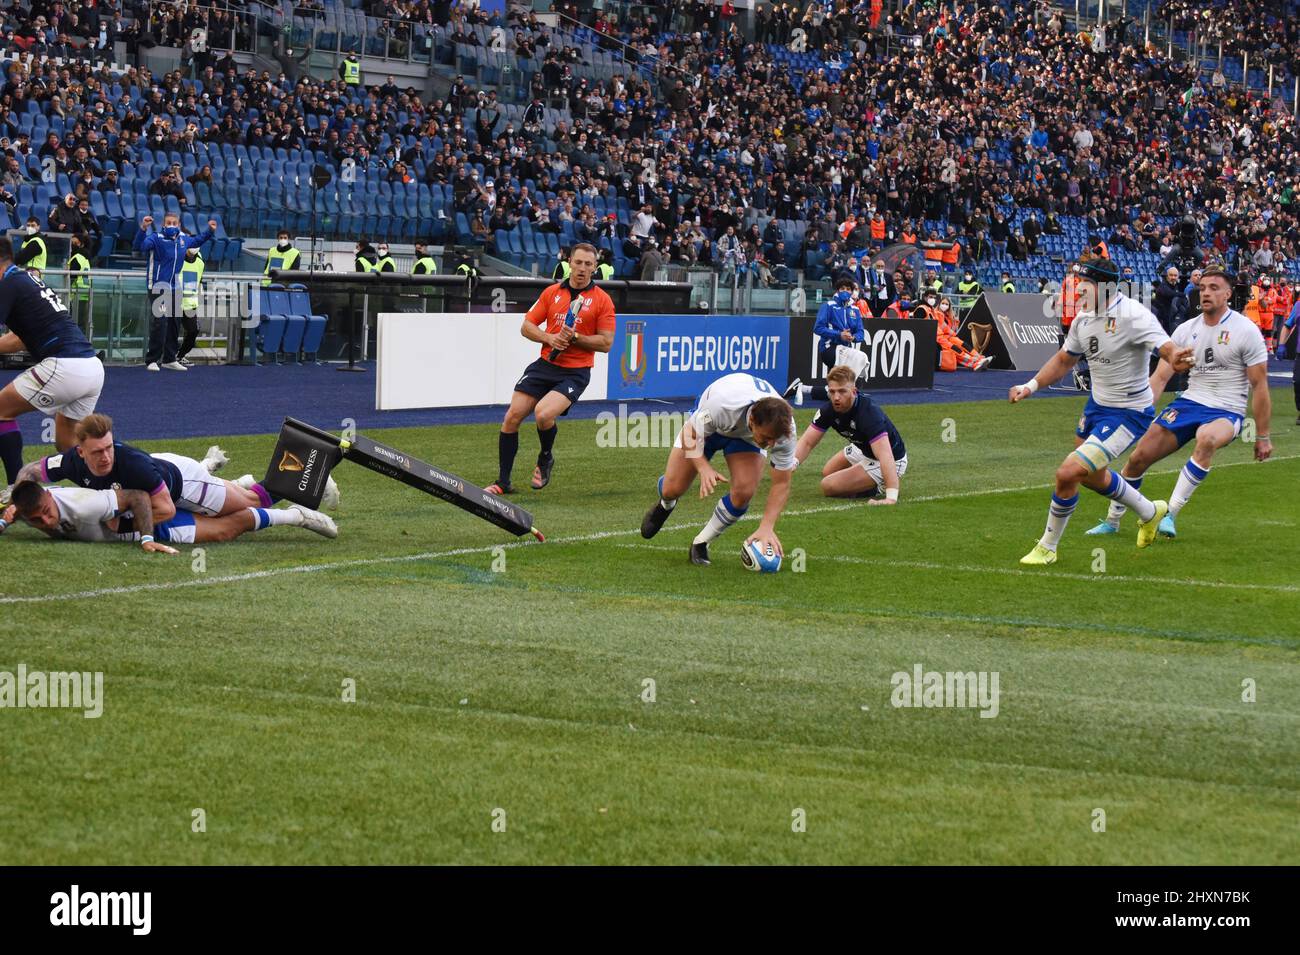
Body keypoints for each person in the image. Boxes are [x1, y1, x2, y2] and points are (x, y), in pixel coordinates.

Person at [1009, 255, 1192, 565]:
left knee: (1068, 473)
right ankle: (1150, 511)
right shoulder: (1083, 318)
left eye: (1085, 284)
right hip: (1096, 407)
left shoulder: (1134, 315)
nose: (1078, 290)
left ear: (1106, 287)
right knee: (1092, 477)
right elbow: (1065, 360)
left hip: (1128, 413)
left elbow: (1166, 347)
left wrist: (1176, 358)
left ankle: (1048, 547)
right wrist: (1030, 386)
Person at [1085, 265, 1271, 541]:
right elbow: (1160, 378)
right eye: (1203, 288)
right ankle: (1112, 521)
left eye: (1214, 288)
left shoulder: (1246, 331)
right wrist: (1137, 413)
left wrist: (1263, 436)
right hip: (1188, 404)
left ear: (1228, 294)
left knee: (1206, 438)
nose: (1206, 293)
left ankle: (1169, 513)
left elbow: (1259, 385)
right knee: (1138, 458)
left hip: (1226, 409)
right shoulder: (1185, 331)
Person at [7, 412, 340, 525]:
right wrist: (16, 494)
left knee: (255, 503)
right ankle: (229, 476)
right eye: (97, 452)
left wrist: (122, 522)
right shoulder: (69, 461)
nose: (105, 456)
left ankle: (311, 474)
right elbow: (33, 472)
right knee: (237, 497)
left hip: (185, 483)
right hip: (164, 467)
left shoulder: (130, 466)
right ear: (81, 452)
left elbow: (164, 510)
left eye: (109, 447)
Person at [486, 243, 615, 495]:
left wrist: (575, 337)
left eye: (588, 264)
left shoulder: (602, 300)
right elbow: (527, 326)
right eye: (578, 262)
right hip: (545, 365)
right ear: (569, 262)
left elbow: (606, 343)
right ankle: (503, 482)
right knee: (512, 416)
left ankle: (545, 458)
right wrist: (549, 338)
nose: (582, 268)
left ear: (595, 268)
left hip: (575, 371)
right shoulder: (551, 292)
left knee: (544, 414)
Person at [639, 372, 798, 566]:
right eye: (766, 438)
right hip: (705, 430)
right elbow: (690, 434)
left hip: (743, 439)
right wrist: (704, 468)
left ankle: (701, 543)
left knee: (744, 492)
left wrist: (767, 527)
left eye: (774, 439)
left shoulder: (784, 432)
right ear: (752, 420)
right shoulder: (723, 405)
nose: (772, 444)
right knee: (673, 488)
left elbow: (782, 483)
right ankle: (666, 504)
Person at [0, 236, 104, 466]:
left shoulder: (7, 283)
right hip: (91, 367)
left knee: (1, 411)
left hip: (64, 365)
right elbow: (18, 340)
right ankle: (117, 487)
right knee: (67, 443)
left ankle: (17, 488)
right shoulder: (26, 279)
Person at [0, 480, 334, 547]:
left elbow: (137, 496)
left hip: (152, 520)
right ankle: (242, 483)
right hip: (155, 504)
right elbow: (14, 508)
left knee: (226, 528)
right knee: (235, 502)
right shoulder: (30, 507)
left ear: (49, 497)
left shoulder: (88, 505)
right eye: (36, 520)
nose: (45, 523)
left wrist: (146, 537)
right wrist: (6, 518)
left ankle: (296, 515)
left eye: (45, 513)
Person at [793, 364, 907, 501]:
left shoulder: (869, 413)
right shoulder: (828, 411)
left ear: (854, 391)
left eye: (842, 391)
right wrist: (792, 463)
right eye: (832, 391)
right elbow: (807, 442)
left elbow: (885, 455)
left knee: (828, 486)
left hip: (891, 459)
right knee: (828, 471)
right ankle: (863, 476)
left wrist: (891, 498)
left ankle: (877, 487)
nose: (836, 397)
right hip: (863, 448)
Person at [133, 212, 216, 372]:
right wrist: (143, 228)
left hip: (175, 287)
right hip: (158, 286)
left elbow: (198, 240)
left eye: (174, 223)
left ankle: (170, 358)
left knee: (174, 323)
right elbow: (139, 246)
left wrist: (210, 231)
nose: (171, 225)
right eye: (168, 223)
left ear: (178, 225)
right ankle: (152, 359)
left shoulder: (183, 240)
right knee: (160, 322)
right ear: (164, 225)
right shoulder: (156, 238)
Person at [813, 277, 864, 371]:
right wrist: (839, 334)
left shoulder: (855, 310)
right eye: (842, 288)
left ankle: (804, 387)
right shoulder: (828, 305)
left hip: (846, 348)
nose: (845, 291)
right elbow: (818, 328)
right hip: (829, 347)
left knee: (841, 380)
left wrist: (853, 337)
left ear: (852, 292)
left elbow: (860, 332)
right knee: (852, 366)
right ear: (837, 291)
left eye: (848, 289)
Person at [178, 246, 204, 364]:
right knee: (170, 331)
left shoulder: (200, 261)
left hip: (190, 304)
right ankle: (167, 356)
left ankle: (180, 356)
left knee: (193, 330)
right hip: (174, 301)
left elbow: (199, 280)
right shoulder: (177, 257)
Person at [66, 232, 92, 337]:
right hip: (84, 294)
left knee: (74, 325)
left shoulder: (77, 257)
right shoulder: (85, 257)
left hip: (76, 295)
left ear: (80, 244)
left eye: (74, 243)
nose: (71, 245)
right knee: (80, 324)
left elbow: (71, 278)